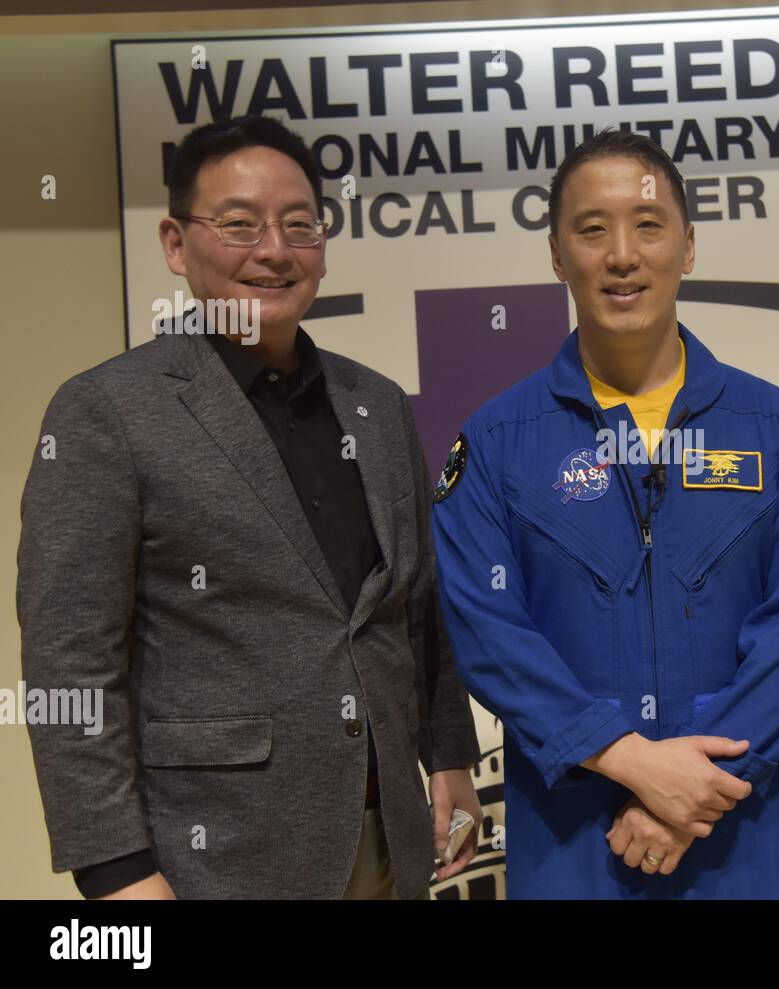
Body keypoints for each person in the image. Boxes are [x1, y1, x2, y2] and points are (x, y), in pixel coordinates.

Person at [17, 114, 481, 899]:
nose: (274, 250)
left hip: (389, 841)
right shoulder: (108, 411)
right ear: (176, 243)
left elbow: (416, 607)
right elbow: (70, 663)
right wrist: (117, 869)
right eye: (239, 224)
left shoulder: (375, 403)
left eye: (299, 225)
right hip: (212, 858)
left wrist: (449, 757)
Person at [430, 129, 779, 898]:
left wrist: (691, 794)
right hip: (572, 840)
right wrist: (629, 758)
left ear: (688, 246)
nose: (622, 254)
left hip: (743, 836)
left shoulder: (773, 427)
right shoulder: (498, 441)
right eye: (592, 230)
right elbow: (486, 630)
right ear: (558, 256)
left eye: (649, 225)